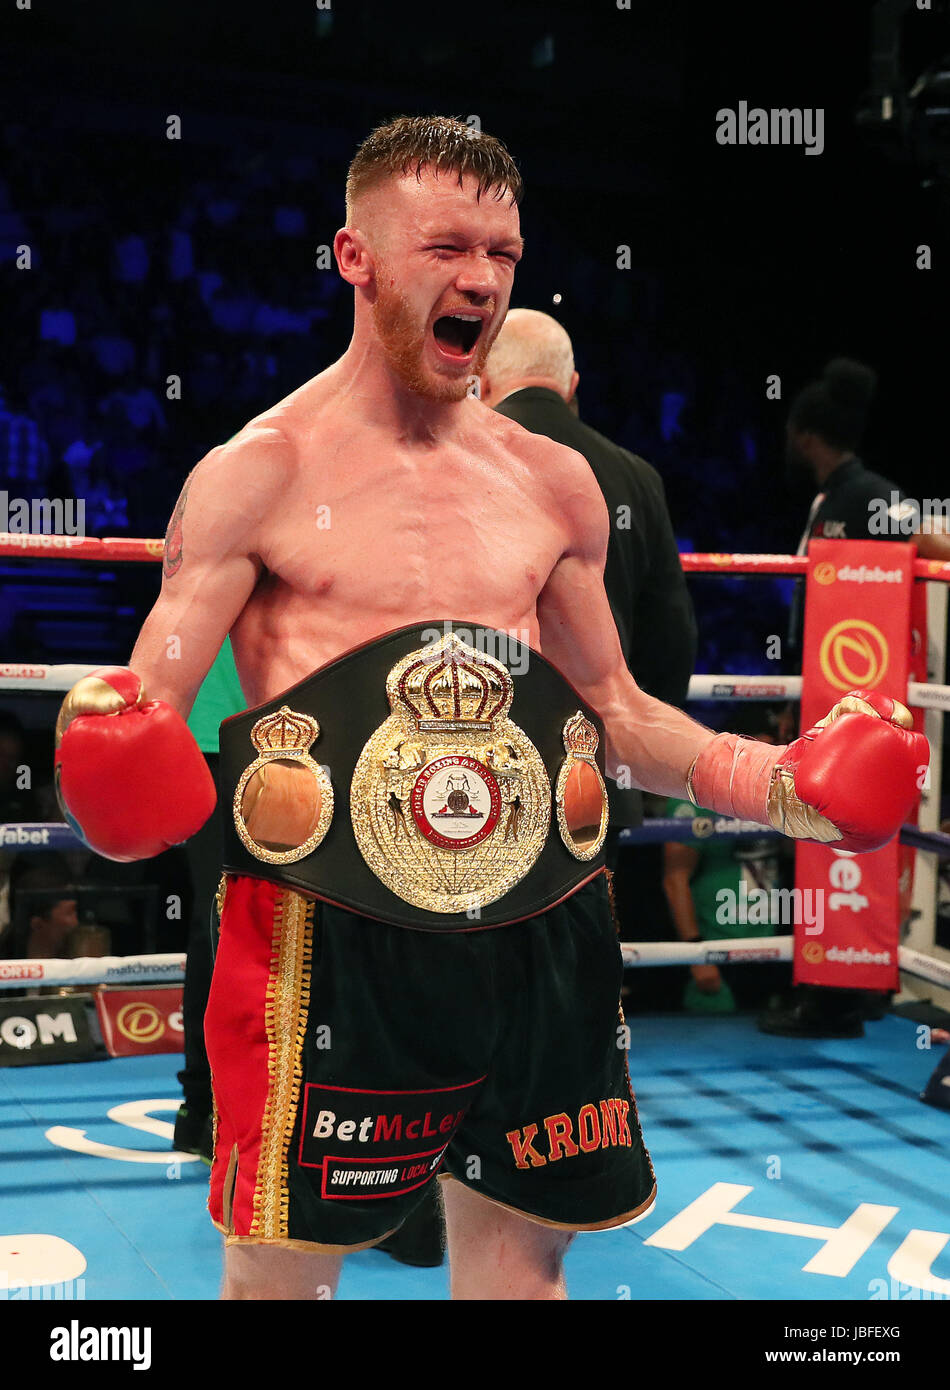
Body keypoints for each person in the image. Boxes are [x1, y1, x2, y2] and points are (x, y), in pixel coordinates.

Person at [53, 117, 927, 1301]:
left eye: (503, 254)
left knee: (522, 1268)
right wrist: (111, 750)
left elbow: (618, 712)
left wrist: (778, 784)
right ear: (353, 258)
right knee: (279, 1279)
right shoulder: (258, 470)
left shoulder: (549, 484)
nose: (478, 278)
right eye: (446, 246)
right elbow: (143, 700)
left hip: (534, 922)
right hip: (329, 934)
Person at [762, 358, 946, 1038]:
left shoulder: (867, 492)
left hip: (858, 698)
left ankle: (843, 993)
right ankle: (838, 989)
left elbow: (938, 541)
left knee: (838, 825)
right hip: (821, 693)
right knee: (819, 824)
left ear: (807, 434)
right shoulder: (828, 497)